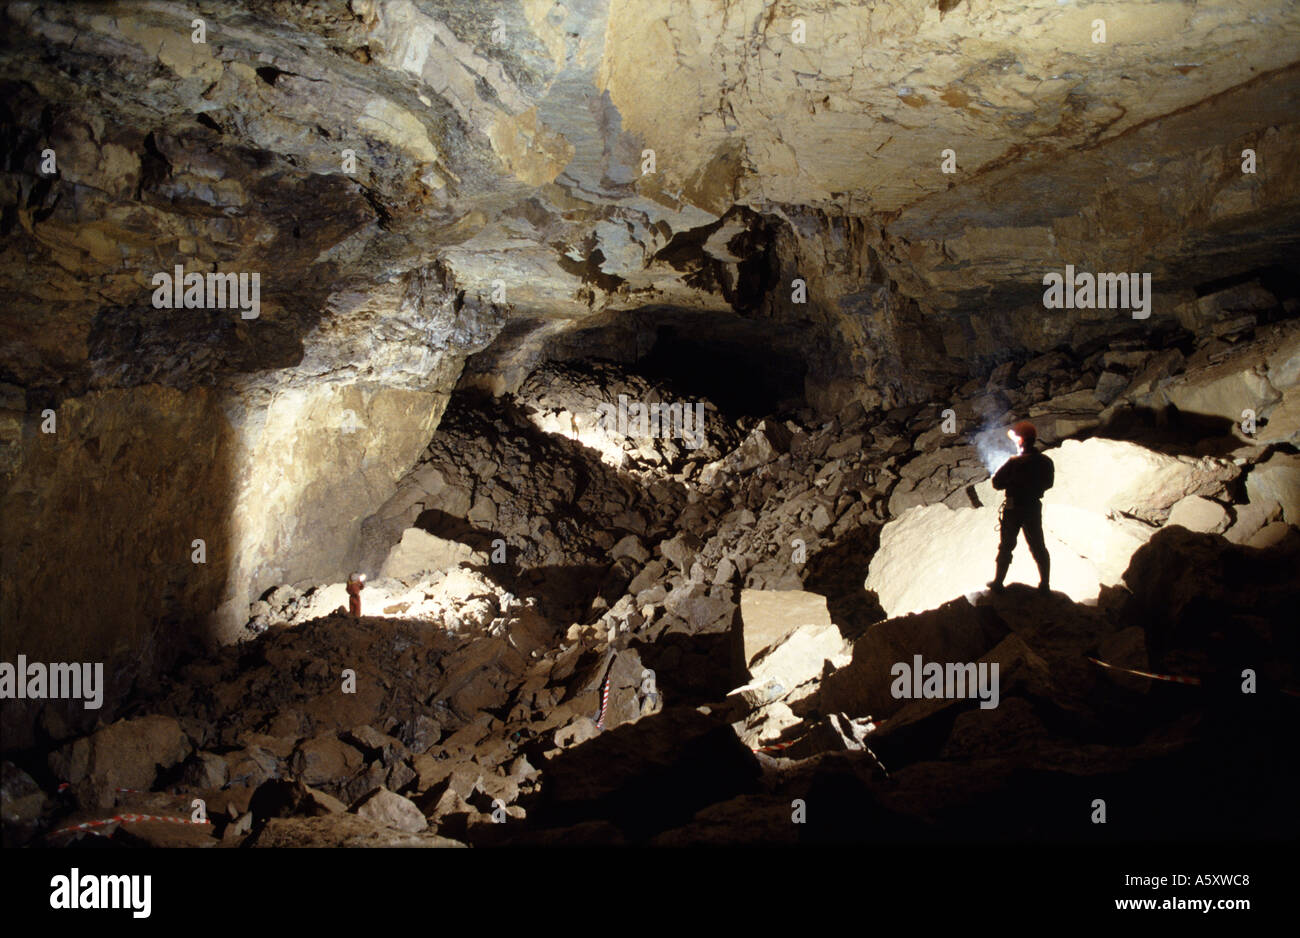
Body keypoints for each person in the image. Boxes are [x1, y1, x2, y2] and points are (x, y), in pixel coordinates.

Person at [988, 421, 1053, 594]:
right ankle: (1045, 584)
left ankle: (998, 583)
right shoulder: (1045, 461)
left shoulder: (1014, 462)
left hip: (1013, 507)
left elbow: (997, 482)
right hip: (1032, 506)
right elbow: (1049, 483)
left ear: (1022, 440)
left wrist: (1014, 482)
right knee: (1038, 546)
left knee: (1007, 546)